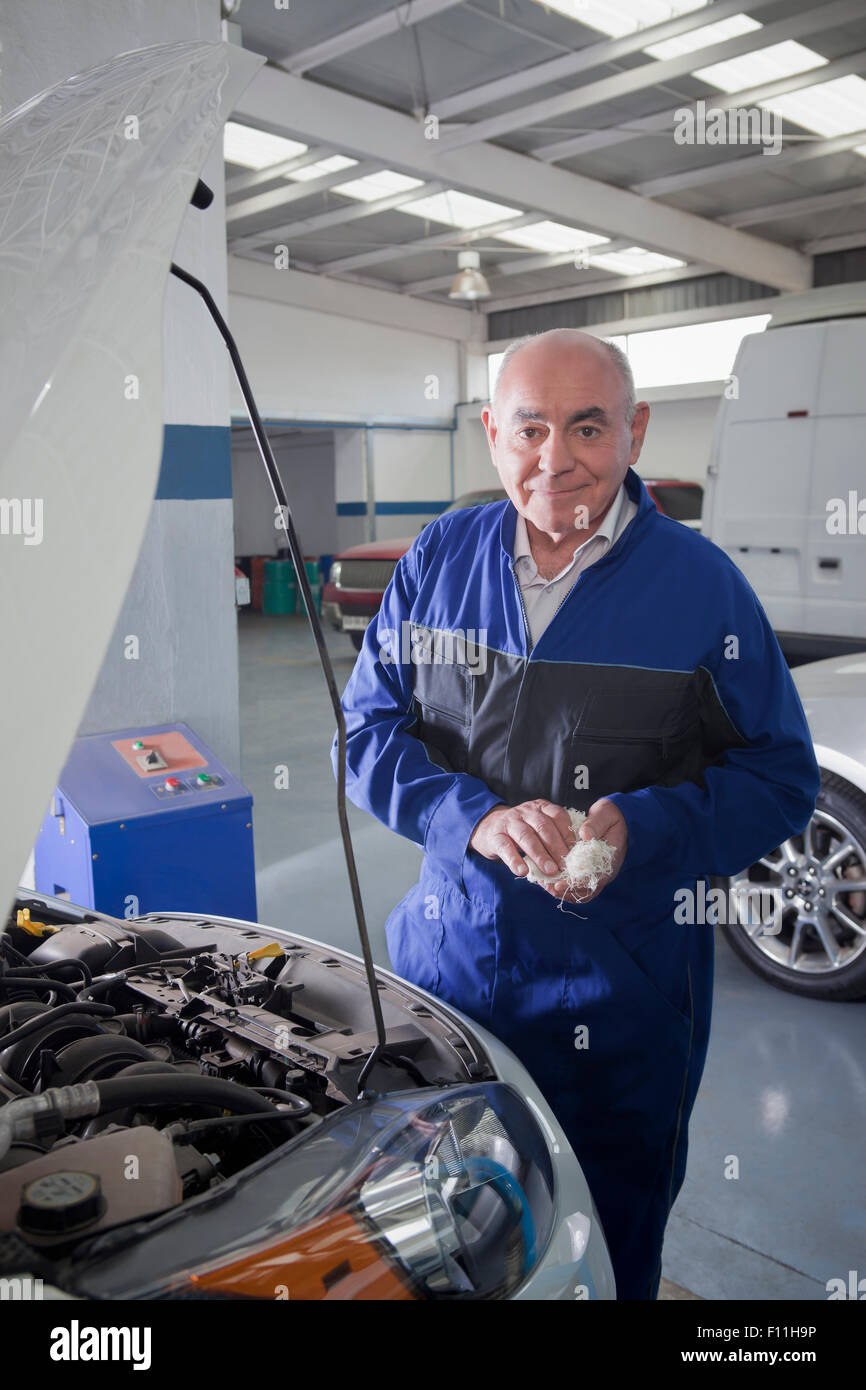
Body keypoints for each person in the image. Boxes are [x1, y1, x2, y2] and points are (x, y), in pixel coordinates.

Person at [334, 328, 819, 1299]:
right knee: (439, 1233)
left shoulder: (699, 588)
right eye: (529, 430)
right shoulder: (439, 557)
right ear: (491, 434)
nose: (554, 460)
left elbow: (778, 777)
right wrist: (468, 817)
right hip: (448, 981)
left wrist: (643, 827)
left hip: (618, 999)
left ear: (632, 430)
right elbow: (365, 732)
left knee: (602, 1238)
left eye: (587, 427)